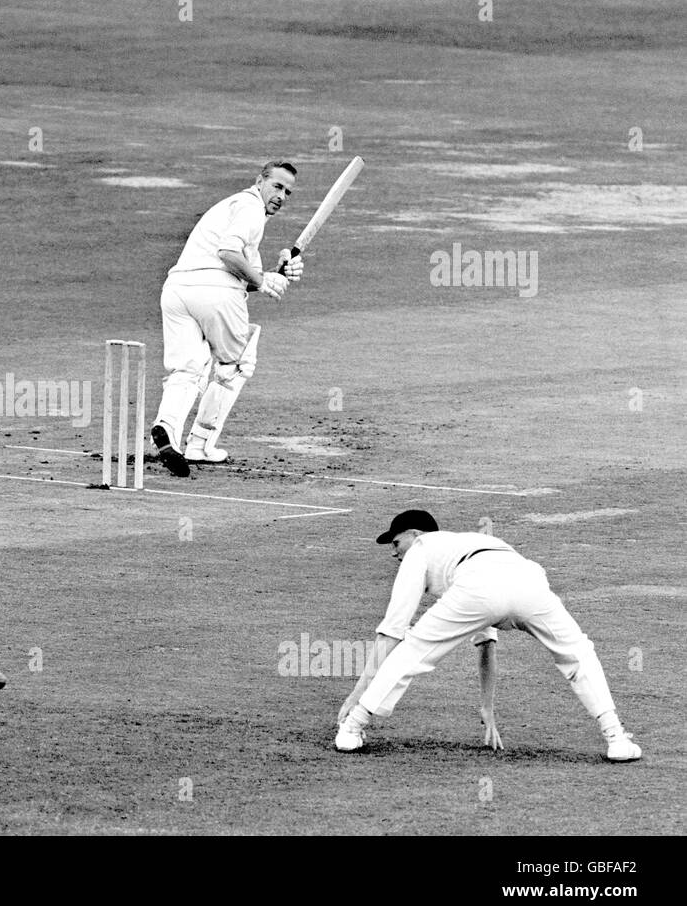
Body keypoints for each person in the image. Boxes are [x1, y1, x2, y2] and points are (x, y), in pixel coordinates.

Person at [333, 510, 641, 762]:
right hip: (528, 581)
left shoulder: (422, 548)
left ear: (415, 535)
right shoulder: (466, 548)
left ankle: (353, 727)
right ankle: (616, 738)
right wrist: (487, 707)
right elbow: (485, 644)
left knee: (412, 649)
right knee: (577, 653)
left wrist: (355, 696)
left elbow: (391, 632)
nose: (394, 553)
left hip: (482, 586)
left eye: (396, 543)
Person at [150, 160, 303, 477]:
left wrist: (275, 273)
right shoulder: (251, 210)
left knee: (188, 368)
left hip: (177, 291)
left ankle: (166, 429)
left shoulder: (231, 207)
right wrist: (263, 282)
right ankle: (201, 444)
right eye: (277, 186)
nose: (282, 196)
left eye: (288, 191)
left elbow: (239, 271)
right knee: (237, 363)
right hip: (215, 295)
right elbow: (229, 255)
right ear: (259, 181)